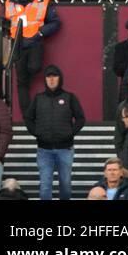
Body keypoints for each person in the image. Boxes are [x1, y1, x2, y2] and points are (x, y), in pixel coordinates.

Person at [2, 0, 60, 117]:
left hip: (35, 43)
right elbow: (6, 25)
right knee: (22, 82)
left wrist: (40, 33)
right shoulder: (9, 2)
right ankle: (27, 114)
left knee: (34, 67)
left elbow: (55, 23)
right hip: (18, 46)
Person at [24, 65, 85, 201]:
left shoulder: (69, 97)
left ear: (60, 78)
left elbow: (81, 118)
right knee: (45, 186)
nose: (51, 79)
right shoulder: (39, 98)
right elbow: (28, 117)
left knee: (65, 186)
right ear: (45, 80)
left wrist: (70, 133)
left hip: (65, 150)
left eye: (54, 76)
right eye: (48, 77)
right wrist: (36, 133)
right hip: (44, 151)